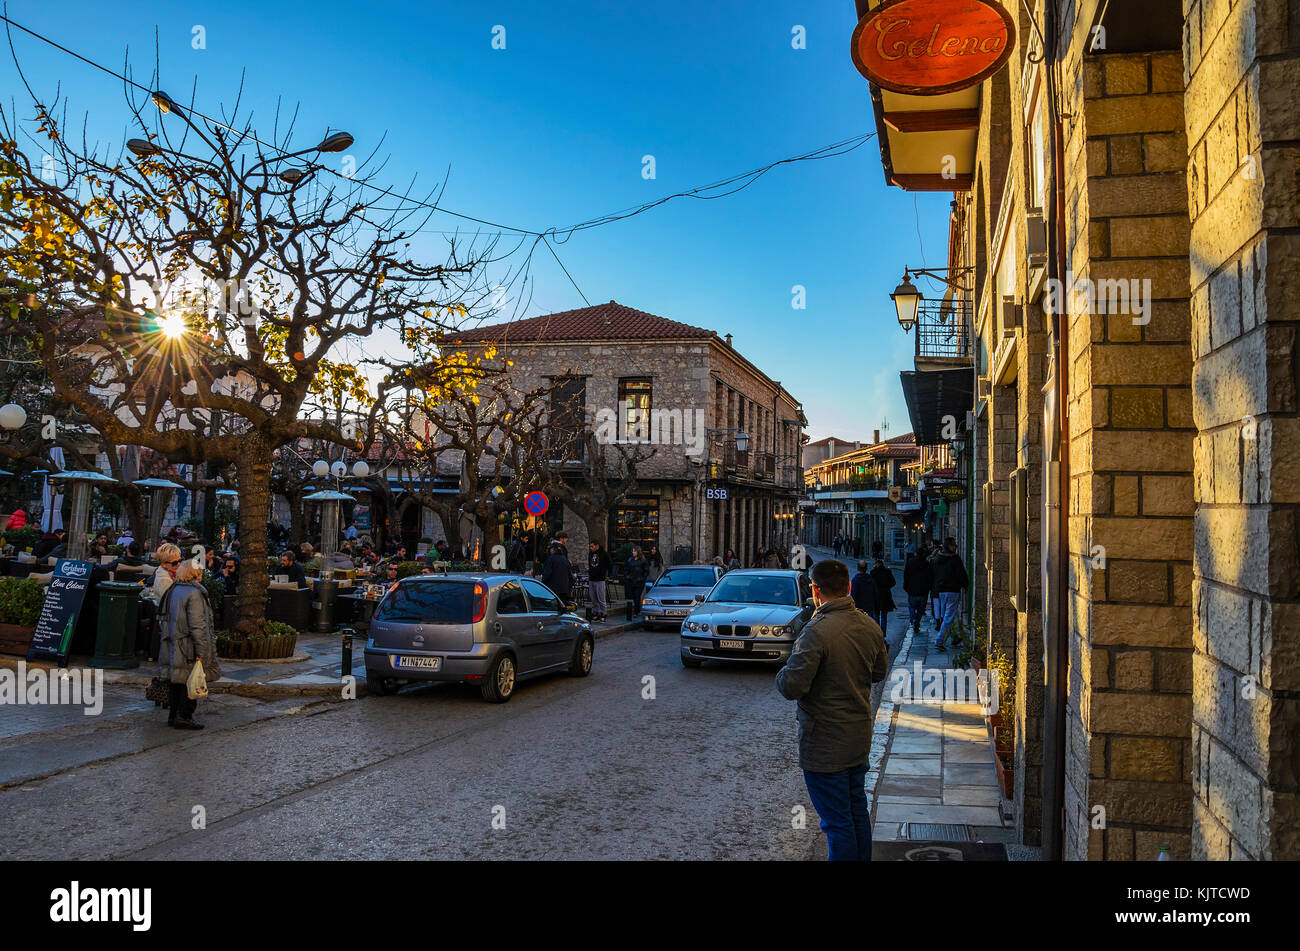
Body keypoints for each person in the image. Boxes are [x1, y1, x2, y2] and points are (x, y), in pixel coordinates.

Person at [775, 558, 889, 862]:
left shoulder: (816, 631)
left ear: (815, 591)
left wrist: (783, 671)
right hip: (857, 737)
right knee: (855, 811)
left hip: (824, 742)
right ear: (848, 587)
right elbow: (878, 672)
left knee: (836, 822)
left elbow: (791, 686)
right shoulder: (869, 625)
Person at [157, 561, 220, 730]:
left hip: (173, 643)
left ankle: (174, 715)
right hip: (188, 646)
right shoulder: (194, 593)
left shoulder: (173, 590)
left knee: (177, 681)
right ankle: (184, 716)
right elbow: (197, 625)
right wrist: (202, 650)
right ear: (195, 574)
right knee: (190, 681)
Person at [932, 537, 969, 651]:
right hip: (952, 590)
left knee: (947, 615)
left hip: (941, 590)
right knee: (948, 616)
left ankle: (954, 637)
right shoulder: (955, 559)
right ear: (949, 546)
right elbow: (960, 574)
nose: (955, 548)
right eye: (953, 545)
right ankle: (939, 641)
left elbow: (933, 573)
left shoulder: (937, 558)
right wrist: (965, 584)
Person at [902, 544, 934, 637]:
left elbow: (906, 575)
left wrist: (906, 586)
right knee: (921, 608)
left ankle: (913, 619)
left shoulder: (910, 562)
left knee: (912, 607)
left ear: (916, 553)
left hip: (912, 589)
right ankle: (917, 621)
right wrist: (929, 587)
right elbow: (930, 577)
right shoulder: (926, 564)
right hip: (923, 590)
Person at [868, 555, 897, 638]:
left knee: (876, 615)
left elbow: (870, 585)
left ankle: (878, 633)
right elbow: (893, 582)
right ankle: (883, 633)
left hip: (876, 596)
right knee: (884, 616)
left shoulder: (873, 573)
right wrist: (886, 587)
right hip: (885, 596)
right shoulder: (887, 572)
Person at [587, 541, 612, 621]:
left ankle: (603, 613)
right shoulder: (590, 554)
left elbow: (610, 564)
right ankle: (595, 612)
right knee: (593, 597)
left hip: (600, 579)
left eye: (592, 546)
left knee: (601, 597)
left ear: (597, 546)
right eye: (590, 547)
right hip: (592, 578)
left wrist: (608, 575)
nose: (591, 548)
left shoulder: (604, 554)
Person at [625, 546, 649, 618]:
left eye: (634, 551)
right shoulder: (631, 560)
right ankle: (636, 610)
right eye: (632, 551)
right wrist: (627, 576)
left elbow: (646, 571)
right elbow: (626, 569)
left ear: (638, 552)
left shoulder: (643, 560)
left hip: (639, 582)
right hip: (631, 581)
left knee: (637, 596)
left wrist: (641, 578)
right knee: (632, 596)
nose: (633, 552)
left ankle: (636, 611)